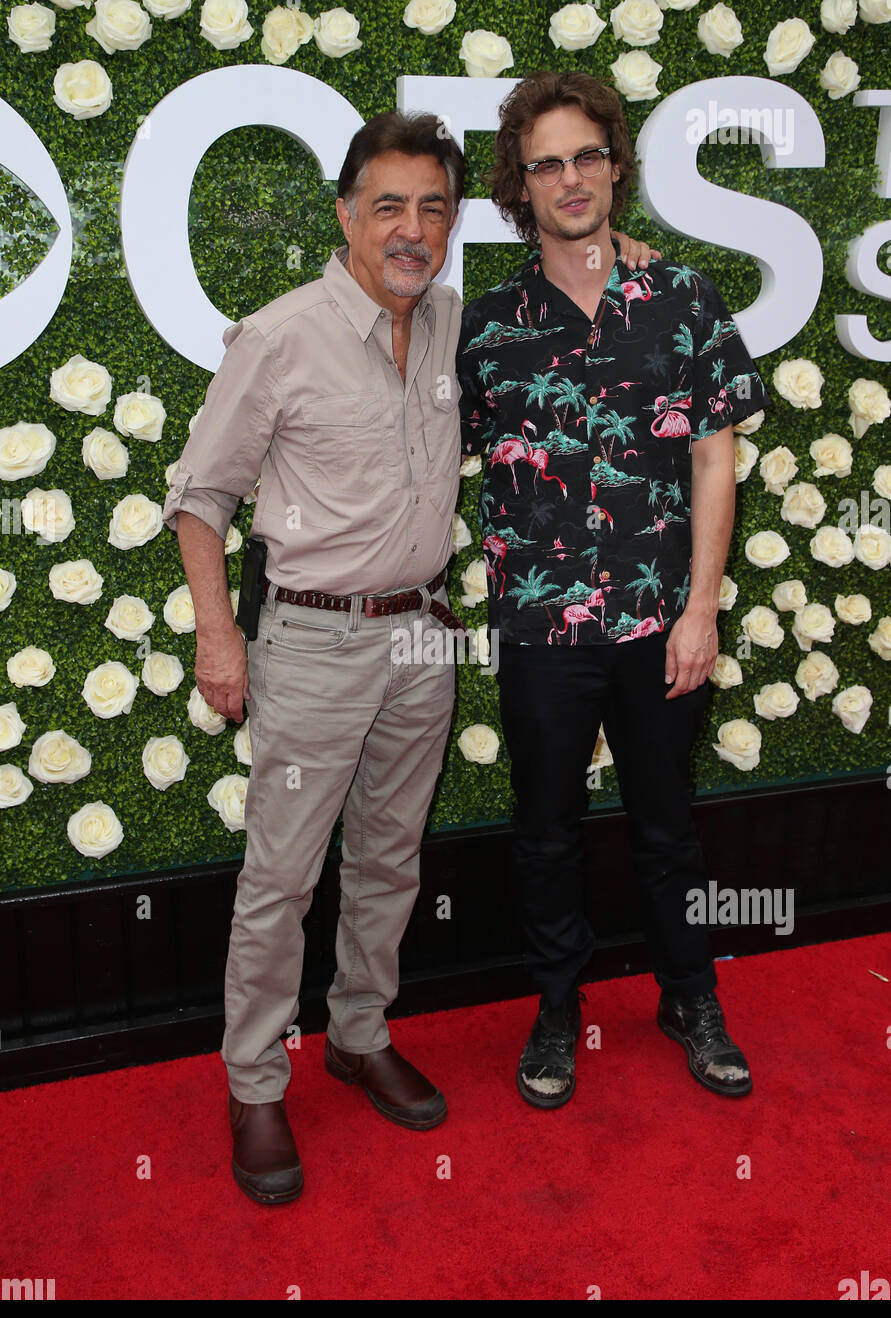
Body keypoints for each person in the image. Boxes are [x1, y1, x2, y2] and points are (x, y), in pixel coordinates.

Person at [161, 105, 661, 1203]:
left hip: (425, 638)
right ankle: (253, 1083)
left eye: (433, 206)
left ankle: (356, 1031)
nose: (412, 228)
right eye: (388, 204)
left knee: (391, 859)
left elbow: (564, 316)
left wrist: (618, 252)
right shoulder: (279, 336)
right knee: (282, 877)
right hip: (309, 643)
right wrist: (218, 635)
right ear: (346, 214)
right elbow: (199, 498)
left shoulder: (452, 325)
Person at [457, 71, 770, 1110]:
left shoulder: (682, 298)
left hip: (658, 624)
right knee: (544, 827)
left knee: (668, 823)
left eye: (586, 154)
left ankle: (691, 996)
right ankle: (556, 1009)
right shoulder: (487, 328)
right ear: (520, 185)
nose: (570, 178)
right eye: (546, 161)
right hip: (542, 628)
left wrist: (702, 609)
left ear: (616, 166)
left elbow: (715, 460)